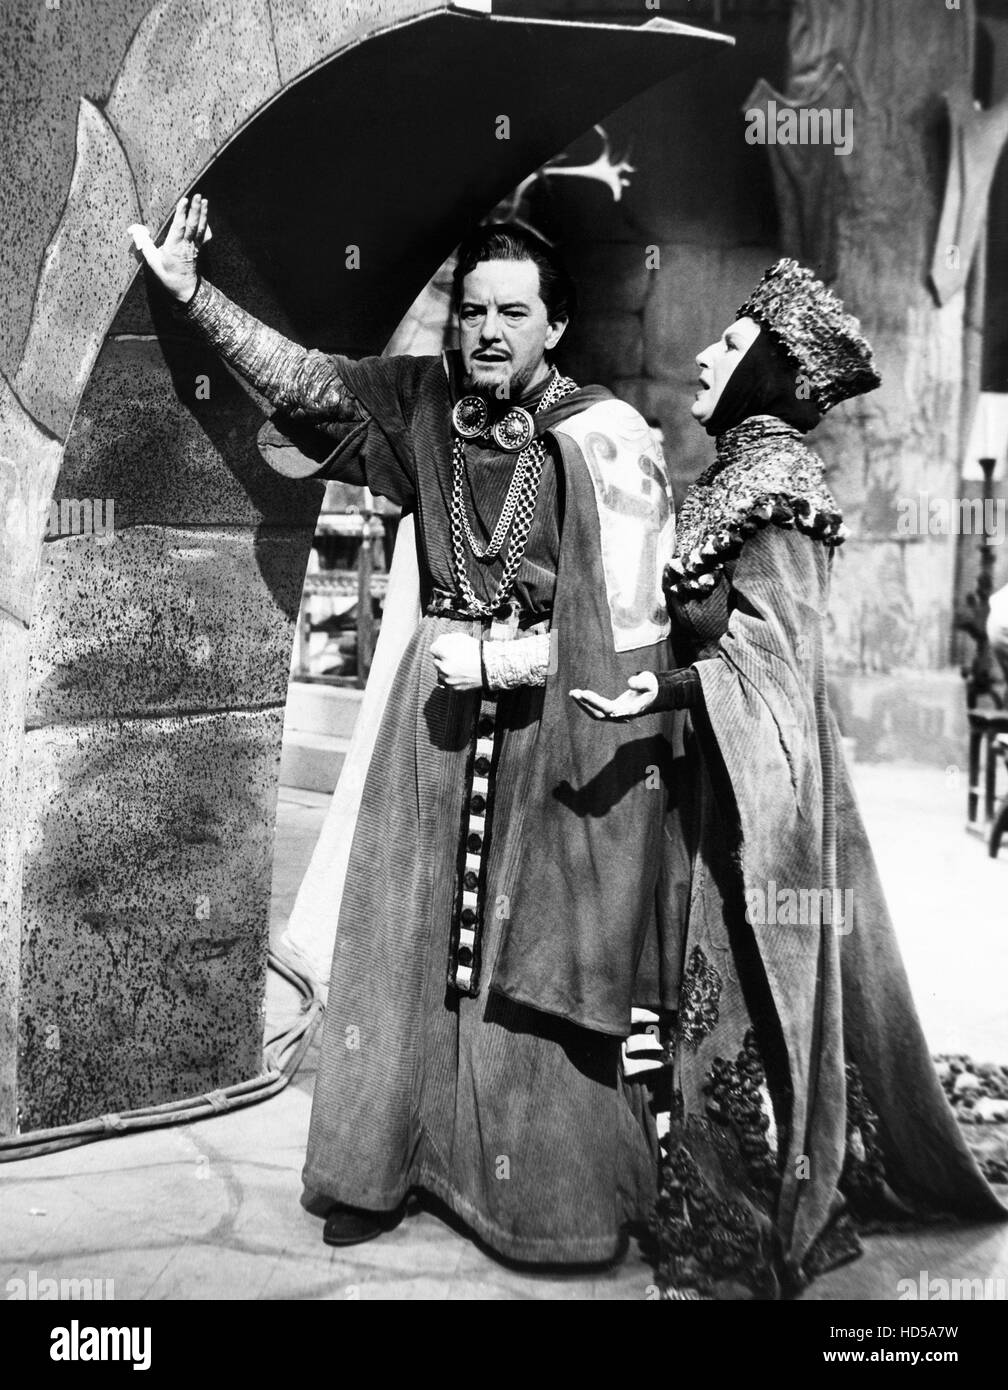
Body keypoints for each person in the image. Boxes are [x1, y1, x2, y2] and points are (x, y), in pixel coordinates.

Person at [131, 197, 681, 1263]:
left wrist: (518, 657)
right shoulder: (421, 398)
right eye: (471, 311)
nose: (485, 331)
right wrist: (189, 289)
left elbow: (629, 619)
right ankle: (385, 1162)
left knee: (526, 951)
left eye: (512, 313)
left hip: (547, 738)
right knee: (401, 938)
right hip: (429, 730)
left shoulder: (606, 434)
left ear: (555, 327)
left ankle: (531, 1198)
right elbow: (302, 377)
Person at [571, 258, 1005, 1298]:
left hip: (763, 780)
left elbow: (768, 657)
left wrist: (659, 692)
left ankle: (765, 1207)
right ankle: (731, 1174)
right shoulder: (739, 473)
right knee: (720, 986)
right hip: (724, 761)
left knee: (755, 982)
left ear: (768, 367)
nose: (703, 358)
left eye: (728, 347)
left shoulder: (775, 483)